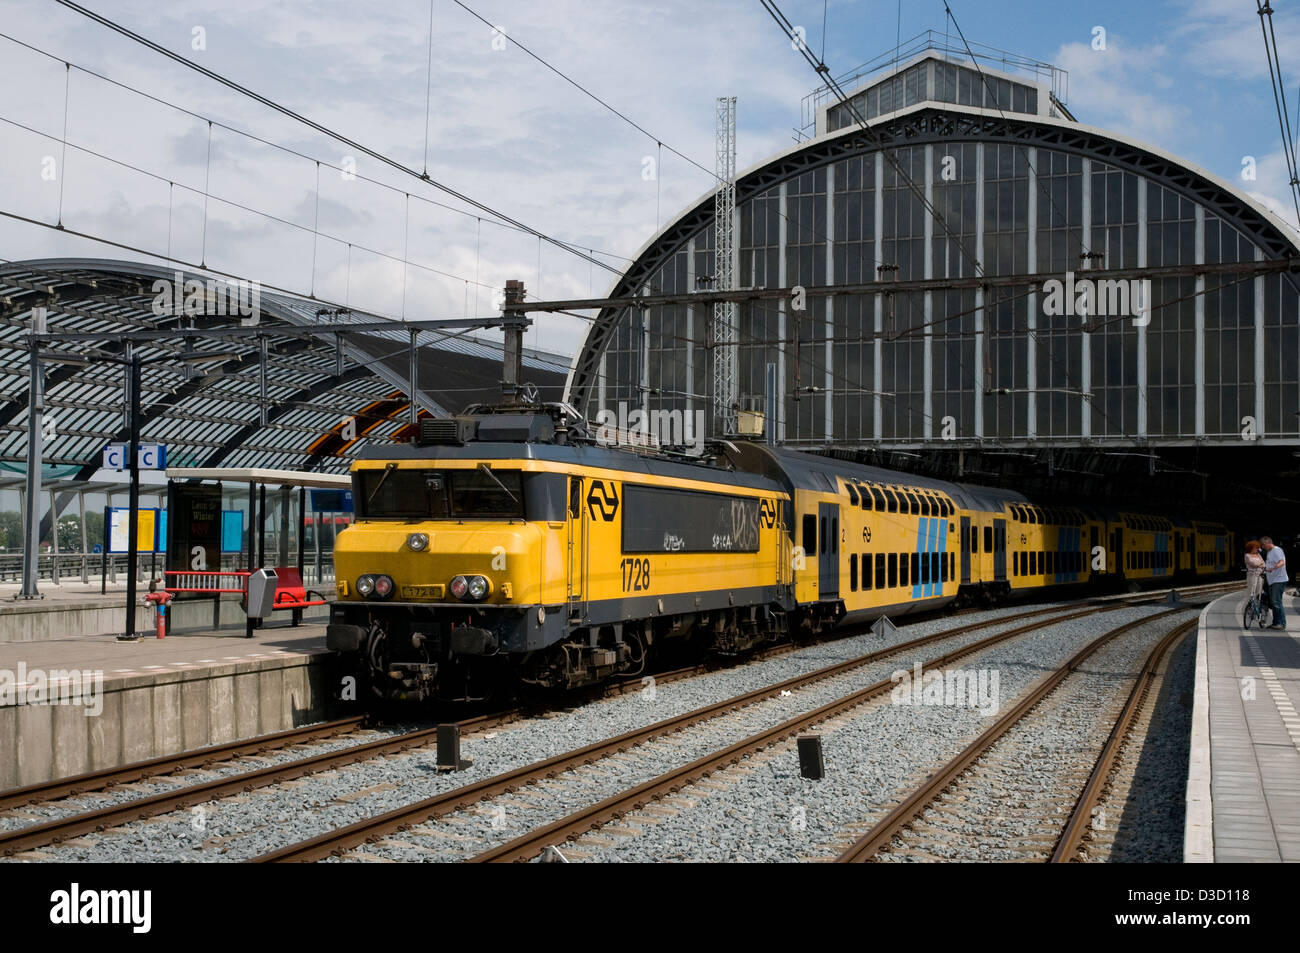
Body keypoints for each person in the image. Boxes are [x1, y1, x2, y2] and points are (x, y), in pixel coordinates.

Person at [1260, 536, 1288, 630]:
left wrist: (1273, 568)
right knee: (1273, 602)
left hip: (1278, 580)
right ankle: (1276, 623)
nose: (1263, 547)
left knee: (1277, 602)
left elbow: (1281, 562)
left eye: (1263, 545)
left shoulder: (1276, 550)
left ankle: (1281, 623)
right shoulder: (1270, 552)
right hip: (1273, 580)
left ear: (1268, 543)